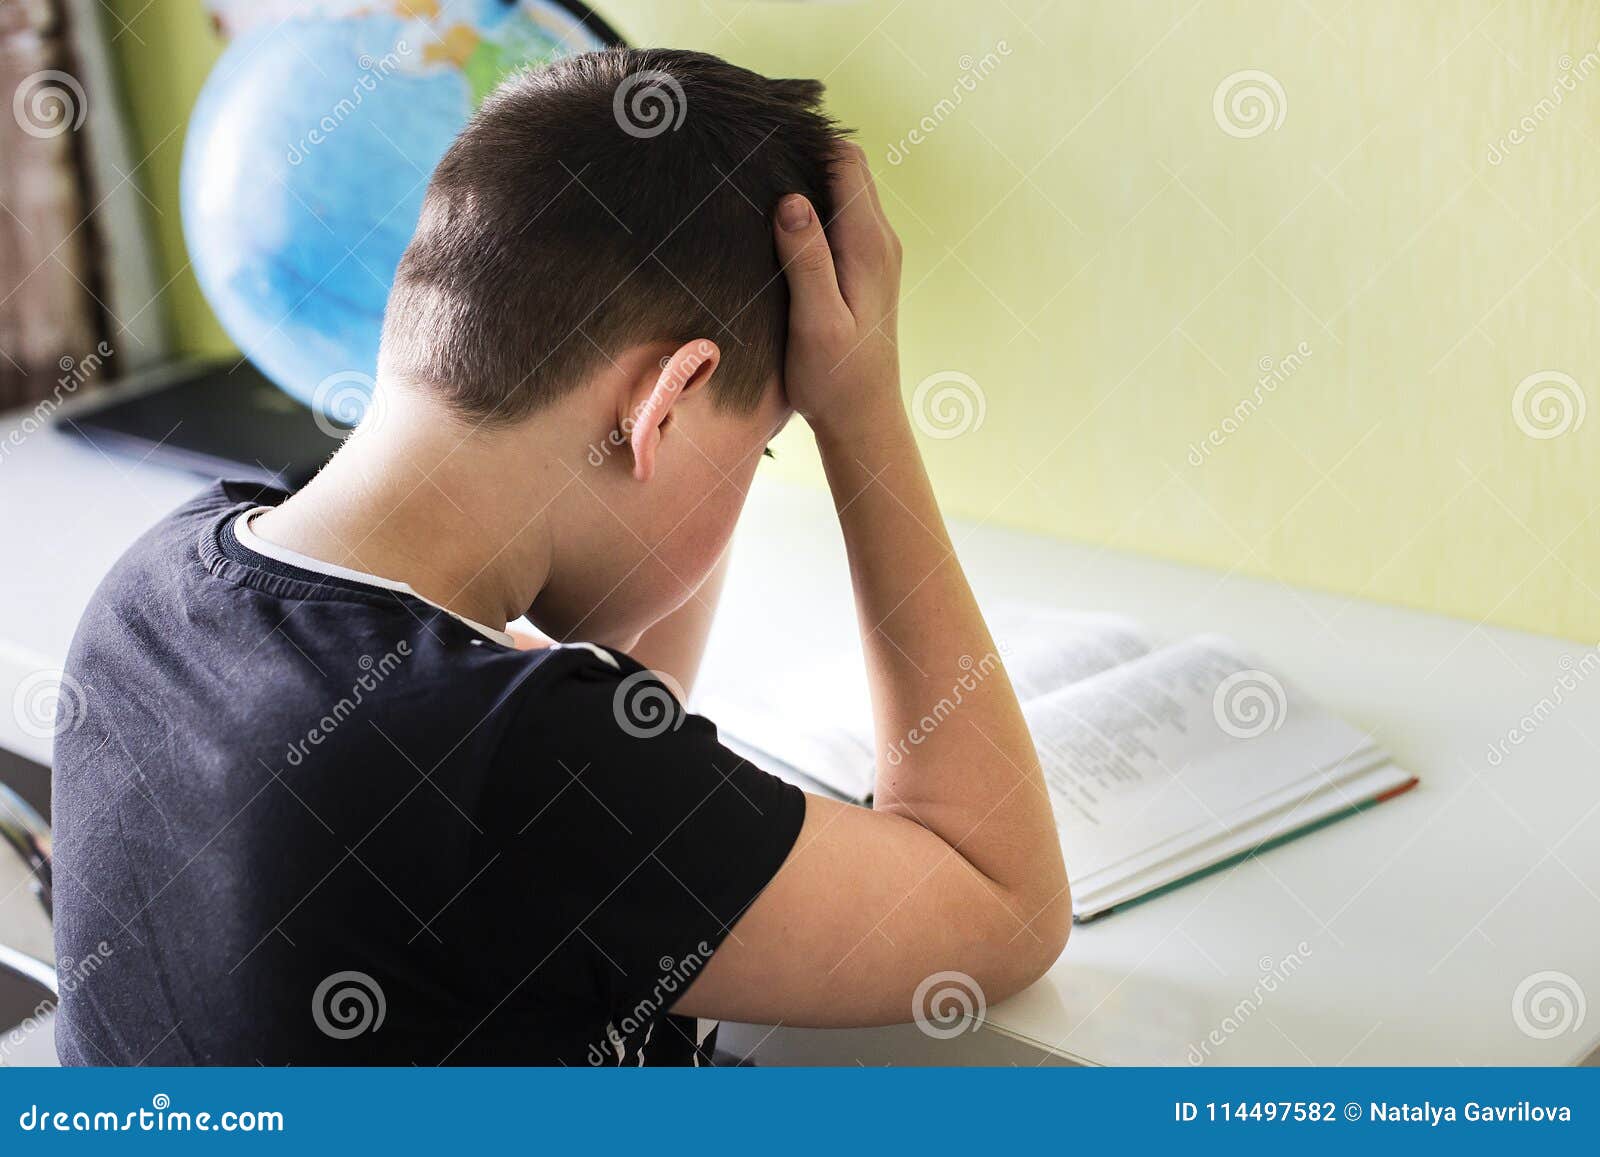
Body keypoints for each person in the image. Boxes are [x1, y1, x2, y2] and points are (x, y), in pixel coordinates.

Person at [52, 48, 1069, 1066]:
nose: (753, 473)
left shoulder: (160, 581)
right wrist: (862, 413)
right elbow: (1001, 899)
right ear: (662, 404)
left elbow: (604, 757)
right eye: (760, 446)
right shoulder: (523, 760)